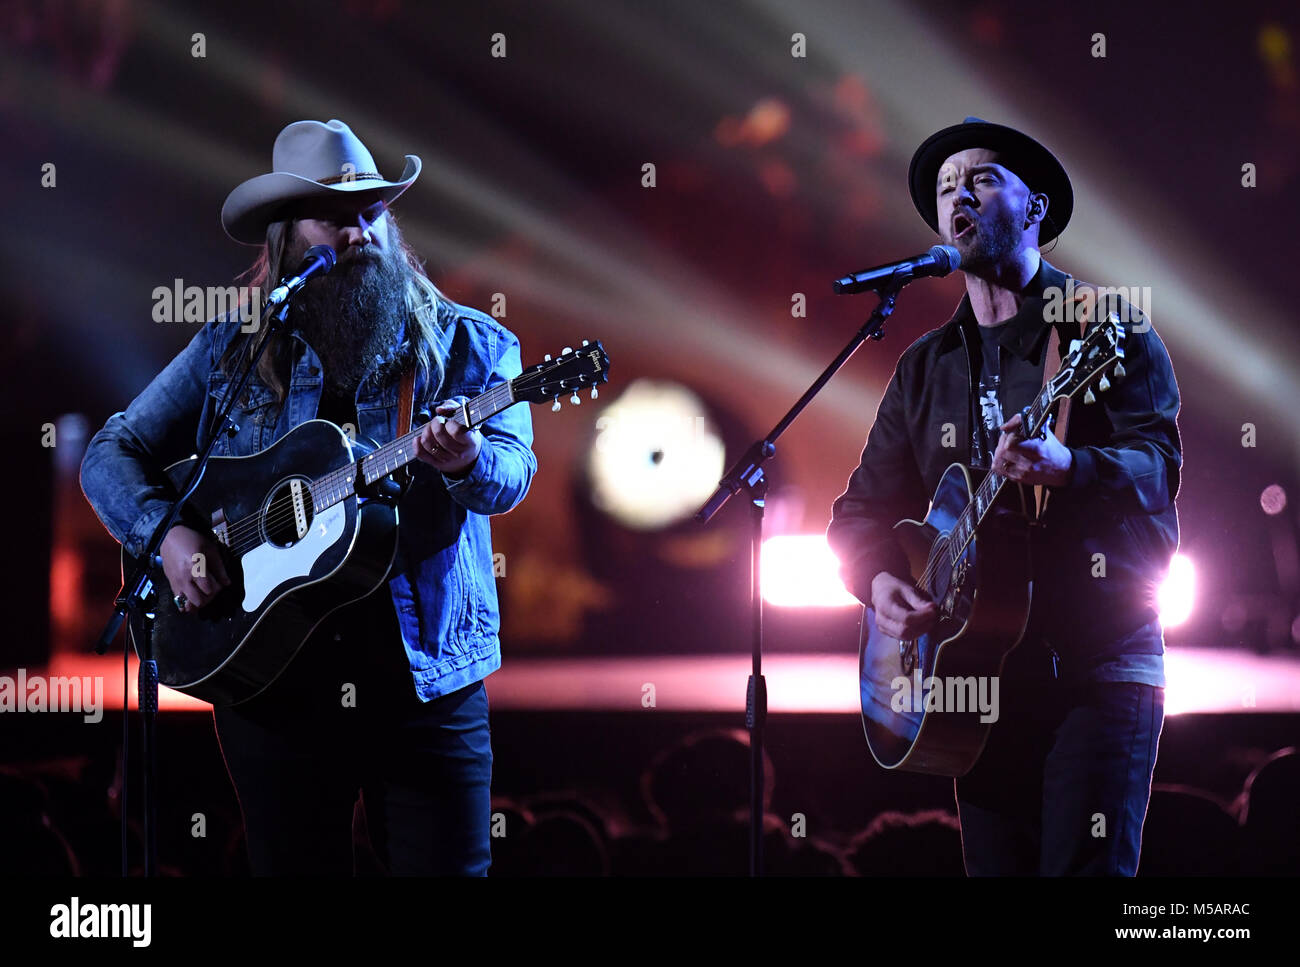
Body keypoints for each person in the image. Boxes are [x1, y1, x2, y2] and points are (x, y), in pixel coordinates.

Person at [80, 119, 537, 875]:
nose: (359, 232)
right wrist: (171, 537)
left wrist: (468, 458)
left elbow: (512, 471)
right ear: (288, 238)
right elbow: (111, 452)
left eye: (371, 212)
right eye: (337, 216)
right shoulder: (234, 346)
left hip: (425, 684)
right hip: (274, 677)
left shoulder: (469, 345)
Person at [827, 118, 1181, 876]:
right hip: (972, 681)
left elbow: (1158, 467)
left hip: (1094, 665)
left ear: (1035, 208)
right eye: (947, 188)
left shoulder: (1100, 324)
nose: (958, 197)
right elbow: (857, 515)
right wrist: (879, 581)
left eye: (980, 179)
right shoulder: (925, 368)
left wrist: (1072, 468)